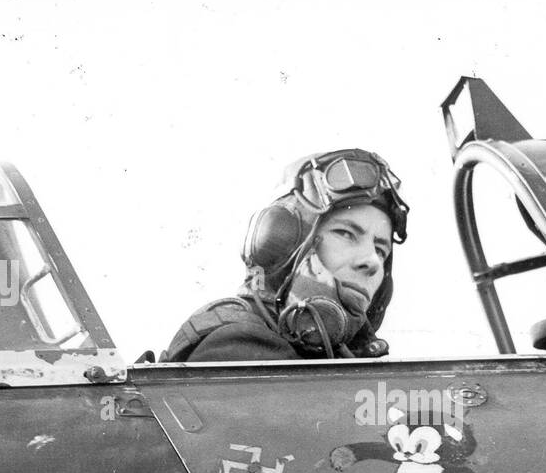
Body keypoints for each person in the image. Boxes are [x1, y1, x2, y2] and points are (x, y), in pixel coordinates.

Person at [161, 149, 409, 362]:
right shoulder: (236, 345)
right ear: (280, 243)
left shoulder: (335, 354)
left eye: (380, 249)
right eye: (346, 233)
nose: (373, 262)